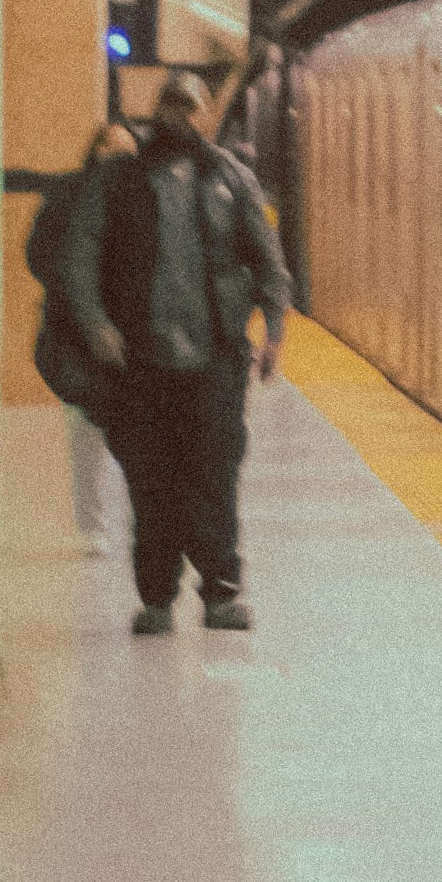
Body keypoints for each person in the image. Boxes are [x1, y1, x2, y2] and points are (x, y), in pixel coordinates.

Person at [58, 66, 290, 632]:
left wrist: (275, 332)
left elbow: (268, 261)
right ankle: (157, 596)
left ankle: (220, 591)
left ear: (207, 114)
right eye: (172, 106)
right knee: (152, 478)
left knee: (215, 474)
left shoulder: (232, 180)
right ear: (156, 113)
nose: (181, 117)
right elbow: (79, 258)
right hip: (141, 362)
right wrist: (95, 323)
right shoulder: (118, 183)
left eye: (191, 107)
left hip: (218, 359)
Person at [24, 117, 139, 542]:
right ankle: (90, 525)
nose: (118, 161)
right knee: (85, 435)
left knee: (136, 437)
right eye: (110, 151)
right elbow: (37, 252)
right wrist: (74, 291)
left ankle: (138, 520)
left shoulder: (142, 199)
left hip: (131, 340)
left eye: (127, 153)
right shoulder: (67, 194)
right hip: (74, 337)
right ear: (94, 152)